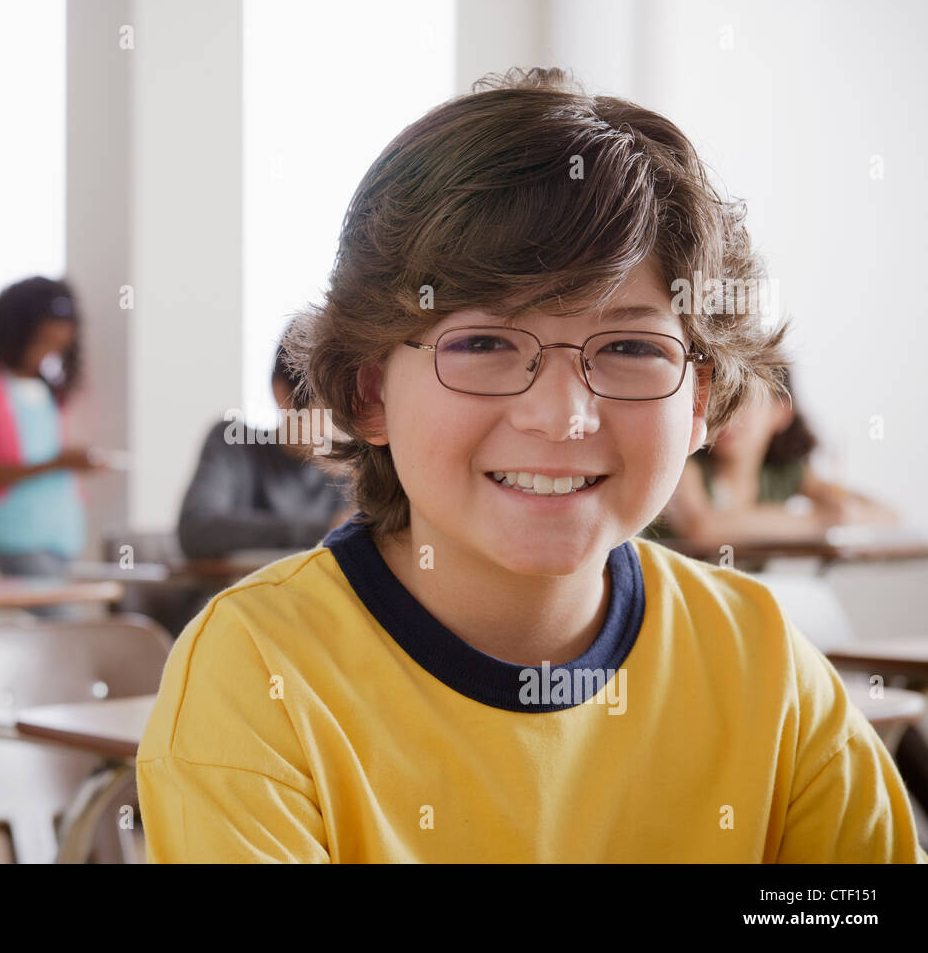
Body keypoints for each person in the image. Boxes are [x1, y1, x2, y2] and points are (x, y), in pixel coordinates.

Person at [134, 68, 927, 862]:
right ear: (369, 389)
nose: (562, 415)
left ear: (698, 403)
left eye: (628, 348)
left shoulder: (762, 662)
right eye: (483, 344)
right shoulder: (257, 679)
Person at [0, 276, 111, 588]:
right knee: (68, 627)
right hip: (19, 538)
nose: (47, 354)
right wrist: (59, 462)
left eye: (57, 348)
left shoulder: (47, 389)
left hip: (64, 535)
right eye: (41, 343)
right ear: (16, 332)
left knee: (64, 627)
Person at [646, 366, 899, 544]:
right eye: (719, 399)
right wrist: (821, 520)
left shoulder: (786, 473)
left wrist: (842, 513)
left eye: (745, 401)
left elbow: (888, 515)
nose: (728, 416)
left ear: (781, 413)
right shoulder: (686, 461)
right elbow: (702, 528)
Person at [177, 331, 351, 559]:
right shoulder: (233, 442)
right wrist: (324, 528)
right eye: (334, 410)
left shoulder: (351, 463)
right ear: (283, 395)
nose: (347, 428)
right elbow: (196, 529)